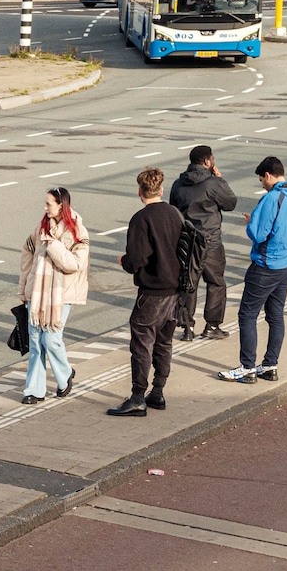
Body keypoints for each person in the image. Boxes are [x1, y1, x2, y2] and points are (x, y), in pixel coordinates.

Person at [223, 156, 287, 382]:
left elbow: (259, 233)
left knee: (247, 314)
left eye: (262, 179)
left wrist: (251, 222)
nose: (262, 184)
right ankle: (270, 365)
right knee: (275, 314)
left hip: (267, 264)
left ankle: (247, 367)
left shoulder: (272, 198)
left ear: (269, 176)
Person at [109, 165, 184, 417]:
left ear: (140, 192)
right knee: (164, 343)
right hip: (174, 291)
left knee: (142, 344)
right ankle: (158, 392)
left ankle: (138, 396)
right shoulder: (175, 214)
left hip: (151, 292)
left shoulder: (141, 219)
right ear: (161, 189)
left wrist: (125, 261)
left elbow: (137, 259)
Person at [17, 187, 86, 404]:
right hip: (37, 294)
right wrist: (24, 288)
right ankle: (34, 390)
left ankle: (64, 373)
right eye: (45, 203)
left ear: (61, 205)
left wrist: (53, 245)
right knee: (36, 341)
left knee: (51, 339)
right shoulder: (40, 229)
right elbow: (27, 252)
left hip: (61, 296)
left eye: (49, 204)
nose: (45, 208)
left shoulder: (77, 232)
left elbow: (74, 264)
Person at [168, 145, 238, 341]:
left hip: (188, 243)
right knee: (216, 282)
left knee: (188, 284)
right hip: (211, 241)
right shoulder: (212, 184)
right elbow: (230, 203)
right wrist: (219, 179)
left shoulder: (177, 184)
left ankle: (187, 327)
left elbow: (174, 209)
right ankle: (212, 325)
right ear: (207, 161)